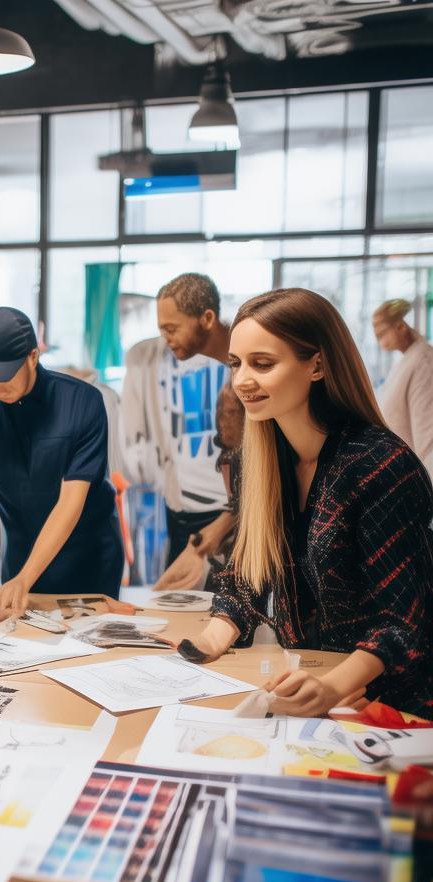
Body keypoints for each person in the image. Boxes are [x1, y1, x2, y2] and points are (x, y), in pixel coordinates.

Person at [181, 288, 433, 718]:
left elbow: (403, 620)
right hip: (308, 687)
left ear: (316, 364)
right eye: (236, 364)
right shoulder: (259, 462)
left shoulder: (379, 465)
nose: (242, 380)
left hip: (392, 707)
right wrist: (207, 642)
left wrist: (333, 685)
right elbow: (249, 572)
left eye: (263, 364)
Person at [0, 307, 124, 620]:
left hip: (88, 559)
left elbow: (71, 502)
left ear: (32, 357)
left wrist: (27, 577)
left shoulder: (82, 403)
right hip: (19, 557)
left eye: (4, 374)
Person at [122, 273, 243, 590]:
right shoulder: (151, 359)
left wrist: (224, 524)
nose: (165, 337)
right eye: (161, 329)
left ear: (207, 318)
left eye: (171, 328)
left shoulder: (247, 372)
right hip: (191, 512)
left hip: (239, 519)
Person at [373, 298, 433, 465]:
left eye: (381, 333)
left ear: (400, 326)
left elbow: (428, 440)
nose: (379, 341)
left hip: (416, 478)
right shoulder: (407, 360)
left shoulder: (424, 362)